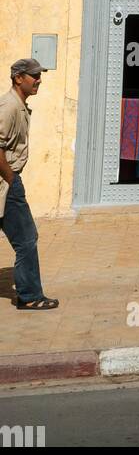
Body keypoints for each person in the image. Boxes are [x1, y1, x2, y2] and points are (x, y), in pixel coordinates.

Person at [0, 59, 58, 310]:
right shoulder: (9, 107)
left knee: (25, 237)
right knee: (26, 239)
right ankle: (30, 295)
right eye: (33, 76)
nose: (38, 80)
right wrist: (12, 180)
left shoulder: (18, 105)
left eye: (39, 75)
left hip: (8, 180)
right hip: (6, 181)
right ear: (18, 78)